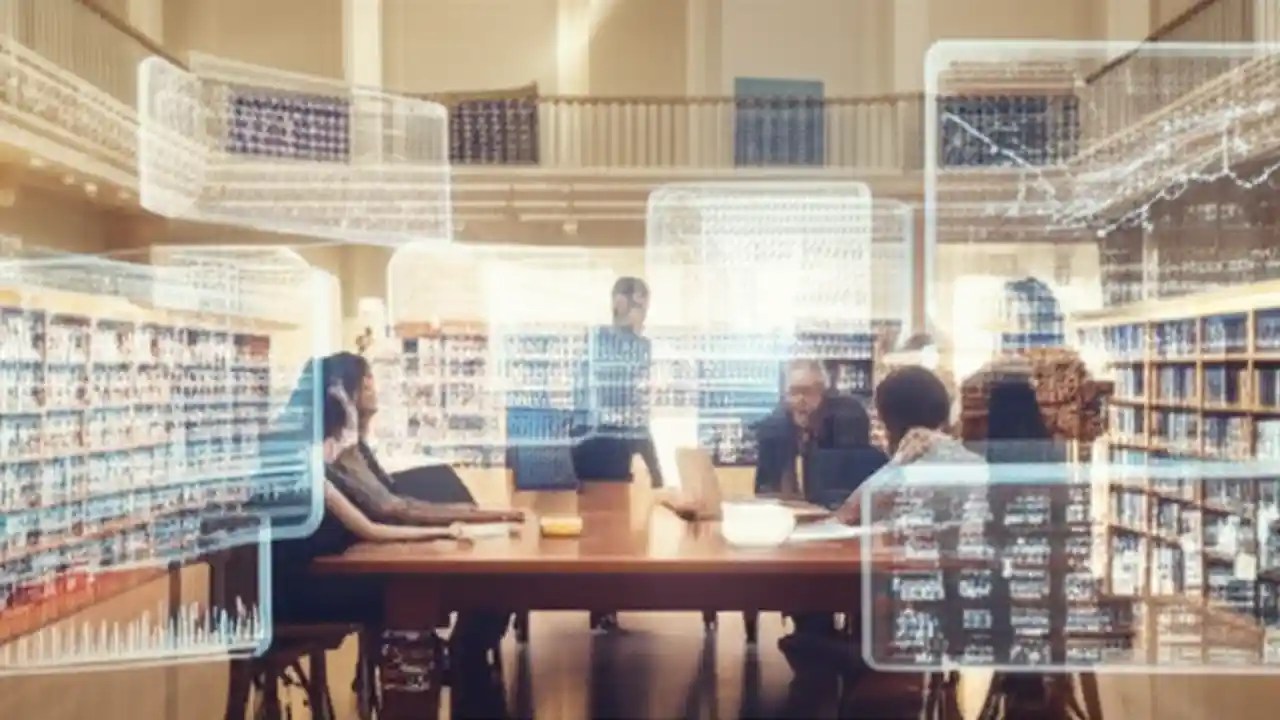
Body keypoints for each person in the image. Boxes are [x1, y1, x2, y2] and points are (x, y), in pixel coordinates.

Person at [319, 352, 521, 673]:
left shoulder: (351, 449)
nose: (374, 386)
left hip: (366, 554)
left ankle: (460, 661)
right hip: (354, 571)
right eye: (365, 380)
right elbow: (391, 510)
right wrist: (477, 518)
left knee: (496, 581)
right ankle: (459, 664)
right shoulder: (338, 454)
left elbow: (390, 506)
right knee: (495, 583)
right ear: (343, 395)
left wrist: (481, 516)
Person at [759, 360, 882, 653]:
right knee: (800, 579)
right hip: (796, 529)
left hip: (847, 527)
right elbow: (764, 487)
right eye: (793, 393)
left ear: (824, 395)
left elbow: (851, 484)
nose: (800, 401)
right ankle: (814, 643)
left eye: (809, 392)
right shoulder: (775, 429)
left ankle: (837, 650)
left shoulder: (845, 419)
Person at [572, 277, 663, 633]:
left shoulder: (640, 347)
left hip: (617, 445)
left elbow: (636, 408)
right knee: (596, 530)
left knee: (615, 529)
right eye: (638, 304)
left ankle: (606, 606)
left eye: (645, 306)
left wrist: (651, 461)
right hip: (594, 445)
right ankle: (600, 606)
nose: (643, 314)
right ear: (619, 302)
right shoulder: (599, 341)